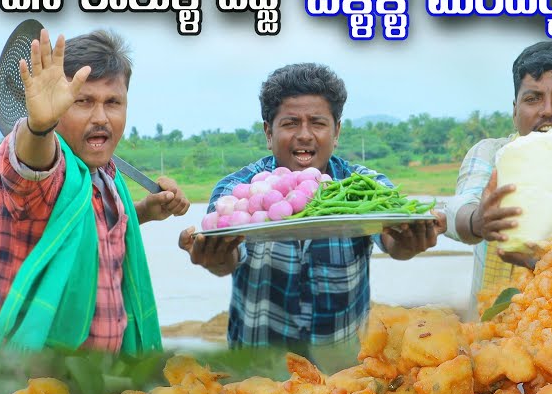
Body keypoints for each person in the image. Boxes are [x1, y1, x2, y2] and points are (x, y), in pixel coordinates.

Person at [179, 63, 442, 353]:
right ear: (269, 133)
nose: (304, 135)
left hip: (342, 375)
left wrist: (410, 240)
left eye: (317, 123)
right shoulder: (237, 191)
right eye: (290, 123)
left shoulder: (363, 185)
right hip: (260, 372)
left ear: (336, 131)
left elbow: (394, 241)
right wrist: (213, 257)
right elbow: (226, 257)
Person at [0, 28, 189, 353]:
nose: (101, 117)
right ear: (55, 104)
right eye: (83, 101)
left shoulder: (105, 176)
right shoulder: (38, 163)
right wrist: (39, 127)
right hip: (25, 383)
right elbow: (35, 166)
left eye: (113, 102)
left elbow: (89, 228)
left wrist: (143, 211)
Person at [445, 41, 552, 314]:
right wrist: (477, 220)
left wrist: (541, 263)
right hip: (487, 340)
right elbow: (457, 210)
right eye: (532, 98)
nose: (548, 110)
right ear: (515, 111)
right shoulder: (490, 155)